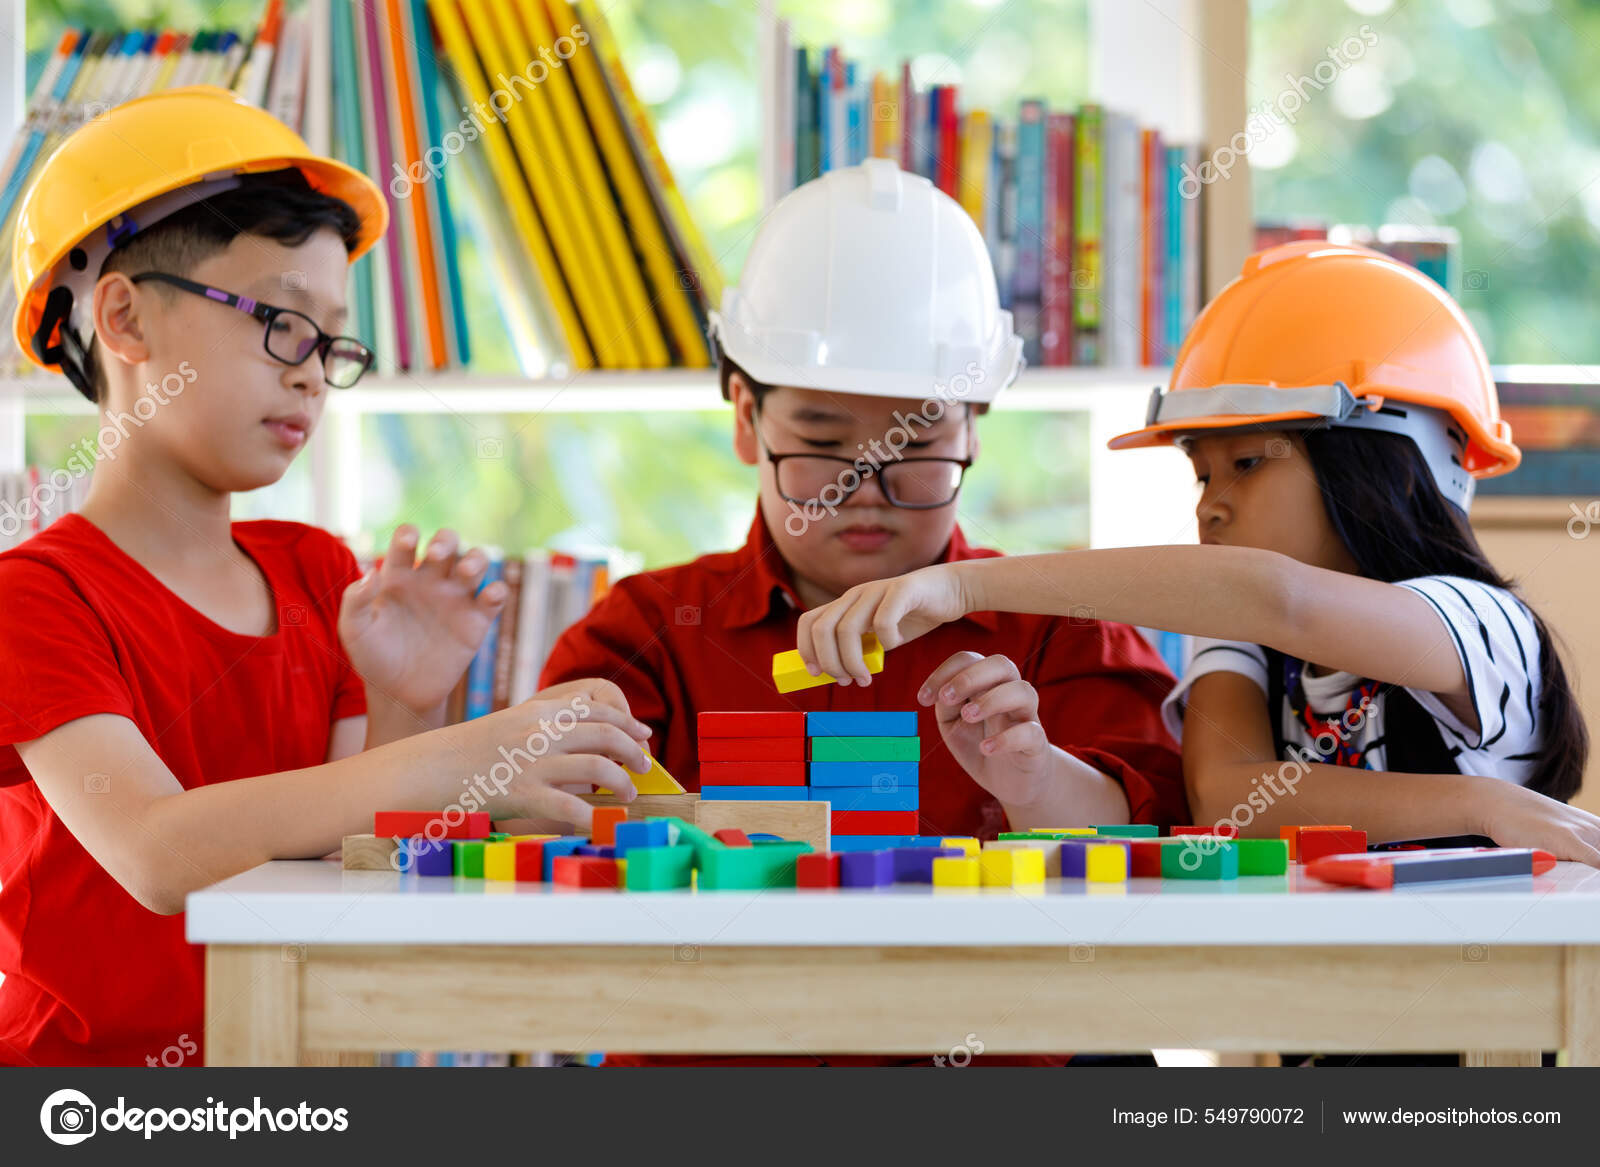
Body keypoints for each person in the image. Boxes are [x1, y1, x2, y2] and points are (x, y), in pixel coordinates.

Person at [0, 86, 650, 1067]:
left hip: (304, 1069)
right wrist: (463, 759)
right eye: (280, 323)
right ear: (124, 319)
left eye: (330, 343)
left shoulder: (317, 571)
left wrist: (402, 703)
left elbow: (363, 869)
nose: (310, 373)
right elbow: (157, 853)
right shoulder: (35, 597)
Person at [543, 159, 1187, 1066]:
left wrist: (1036, 778)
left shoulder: (1061, 622)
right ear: (744, 417)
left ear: (973, 430)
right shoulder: (644, 629)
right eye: (818, 443)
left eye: (918, 446)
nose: (864, 492)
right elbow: (548, 836)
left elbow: (1161, 843)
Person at [796, 241, 1599, 866]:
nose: (1208, 502)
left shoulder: (1486, 627)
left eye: (1248, 463)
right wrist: (1480, 807)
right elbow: (1228, 799)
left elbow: (1276, 595)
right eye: (1200, 470)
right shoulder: (1247, 641)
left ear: (1384, 459)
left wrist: (964, 585)